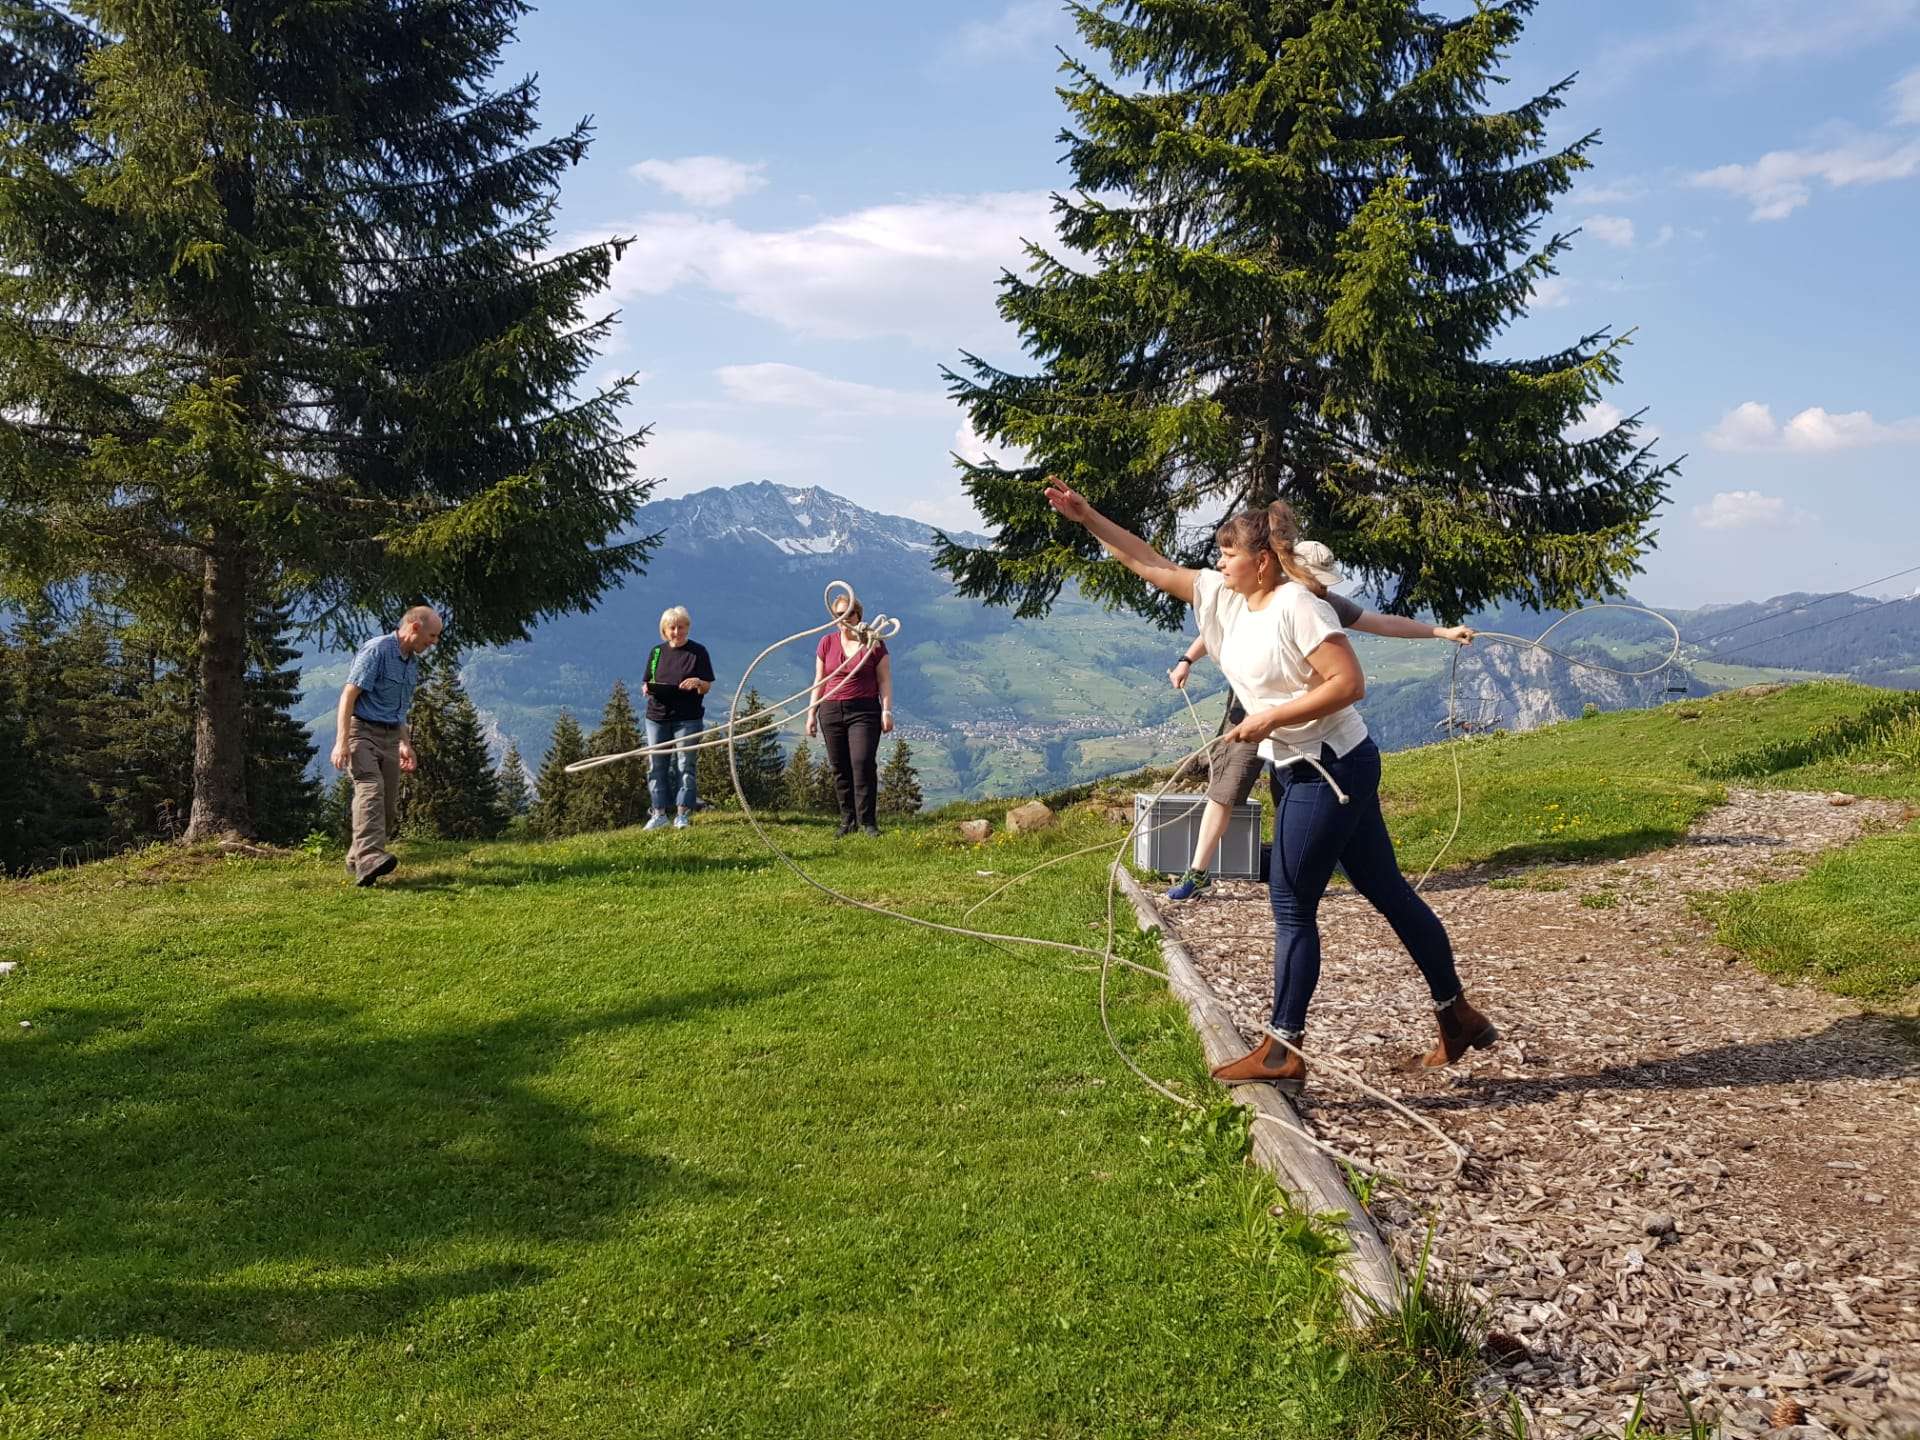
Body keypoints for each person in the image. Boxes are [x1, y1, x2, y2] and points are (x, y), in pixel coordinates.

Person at [1042, 479, 1495, 1092]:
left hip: (1329, 767)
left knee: (1290, 901)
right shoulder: (1222, 599)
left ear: (1260, 561)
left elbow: (1347, 683)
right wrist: (1085, 514)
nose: (1218, 560)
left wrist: (1267, 720)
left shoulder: (1298, 605)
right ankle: (1456, 1014)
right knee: (1385, 888)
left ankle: (1283, 1049)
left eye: (1229, 552)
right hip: (1312, 766)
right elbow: (1144, 558)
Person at [1164, 540, 1475, 900]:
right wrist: (1187, 659)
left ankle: (1305, 863)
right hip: (1249, 714)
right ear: (1290, 568)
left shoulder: (1322, 603)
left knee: (1296, 799)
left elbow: (1383, 623)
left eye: (1325, 582)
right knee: (1226, 789)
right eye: (1317, 579)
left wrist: (1442, 632)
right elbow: (1220, 626)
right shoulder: (1264, 596)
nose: (1323, 587)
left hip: (1306, 730)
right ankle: (1199, 873)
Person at [331, 605, 444, 886]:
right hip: (362, 732)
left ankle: (356, 859)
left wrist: (405, 744)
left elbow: (399, 711)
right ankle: (369, 858)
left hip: (391, 736)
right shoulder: (377, 651)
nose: (434, 642)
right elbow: (348, 695)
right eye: (432, 635)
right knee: (371, 789)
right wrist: (341, 742)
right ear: (415, 627)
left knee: (387, 807)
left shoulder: (411, 663)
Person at [806, 595, 894, 837]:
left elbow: (884, 679)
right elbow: (819, 680)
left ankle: (868, 822)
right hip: (831, 709)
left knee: (862, 762)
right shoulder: (826, 642)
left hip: (864, 710)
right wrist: (811, 713)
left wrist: (886, 710)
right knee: (839, 767)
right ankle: (847, 820)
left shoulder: (873, 643)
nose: (844, 619)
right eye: (838, 615)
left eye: (849, 614)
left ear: (858, 616)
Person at [642, 606, 715, 830]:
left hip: (688, 717)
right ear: (664, 630)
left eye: (681, 627)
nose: (677, 631)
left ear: (687, 627)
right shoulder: (656, 653)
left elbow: (707, 687)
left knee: (686, 764)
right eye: (672, 627)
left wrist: (698, 683)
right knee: (656, 765)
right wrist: (647, 688)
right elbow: (646, 680)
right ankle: (658, 813)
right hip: (657, 716)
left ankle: (682, 813)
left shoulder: (698, 652)